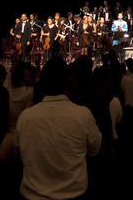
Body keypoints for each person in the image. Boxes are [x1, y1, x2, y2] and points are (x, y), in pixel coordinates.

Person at [16, 57, 101, 200]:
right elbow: (95, 149)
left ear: (42, 82)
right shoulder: (83, 115)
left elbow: (19, 152)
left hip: (33, 195)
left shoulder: (25, 117)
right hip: (73, 195)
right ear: (69, 81)